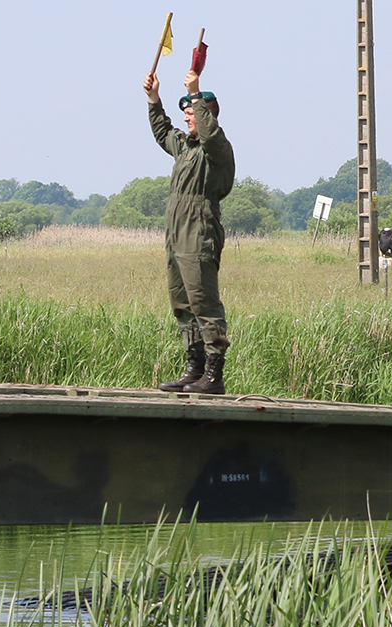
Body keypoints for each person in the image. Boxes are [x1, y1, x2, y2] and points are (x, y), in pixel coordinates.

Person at [143, 67, 236, 395]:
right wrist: (154, 98)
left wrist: (195, 92)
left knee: (203, 300)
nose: (187, 119)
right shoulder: (185, 147)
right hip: (175, 230)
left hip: (200, 228)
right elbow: (162, 131)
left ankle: (213, 374)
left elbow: (210, 134)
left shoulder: (217, 148)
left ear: (207, 114)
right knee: (182, 301)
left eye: (192, 114)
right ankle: (194, 369)